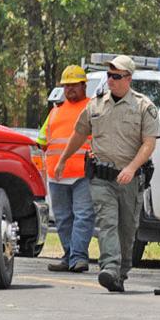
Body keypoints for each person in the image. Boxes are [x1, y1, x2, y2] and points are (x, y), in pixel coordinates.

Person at [55, 55, 160, 293]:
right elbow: (79, 134)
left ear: (128, 79)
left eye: (116, 76)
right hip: (101, 178)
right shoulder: (96, 104)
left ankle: (120, 272)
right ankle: (110, 267)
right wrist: (63, 159)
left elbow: (149, 144)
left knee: (126, 229)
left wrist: (132, 168)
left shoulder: (144, 107)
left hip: (130, 179)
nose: (110, 80)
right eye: (109, 75)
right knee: (107, 222)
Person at [42, 65, 95, 274]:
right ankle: (69, 256)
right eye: (66, 86)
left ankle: (78, 257)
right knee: (63, 219)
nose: (69, 89)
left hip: (82, 173)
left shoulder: (92, 108)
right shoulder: (55, 111)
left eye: (74, 85)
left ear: (84, 86)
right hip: (57, 174)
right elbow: (42, 140)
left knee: (83, 216)